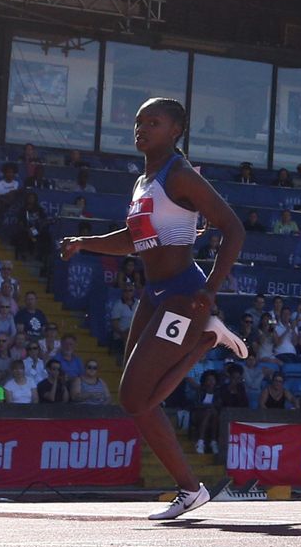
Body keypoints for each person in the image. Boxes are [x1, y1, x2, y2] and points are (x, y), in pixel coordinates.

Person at [60, 98, 247, 521]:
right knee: (139, 400)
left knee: (133, 398)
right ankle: (189, 488)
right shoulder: (143, 181)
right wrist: (84, 243)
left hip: (185, 296)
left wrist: (212, 290)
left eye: (154, 122)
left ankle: (204, 339)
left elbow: (233, 228)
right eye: (139, 121)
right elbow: (133, 239)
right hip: (156, 294)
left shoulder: (179, 175)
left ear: (175, 131)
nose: (142, 128)